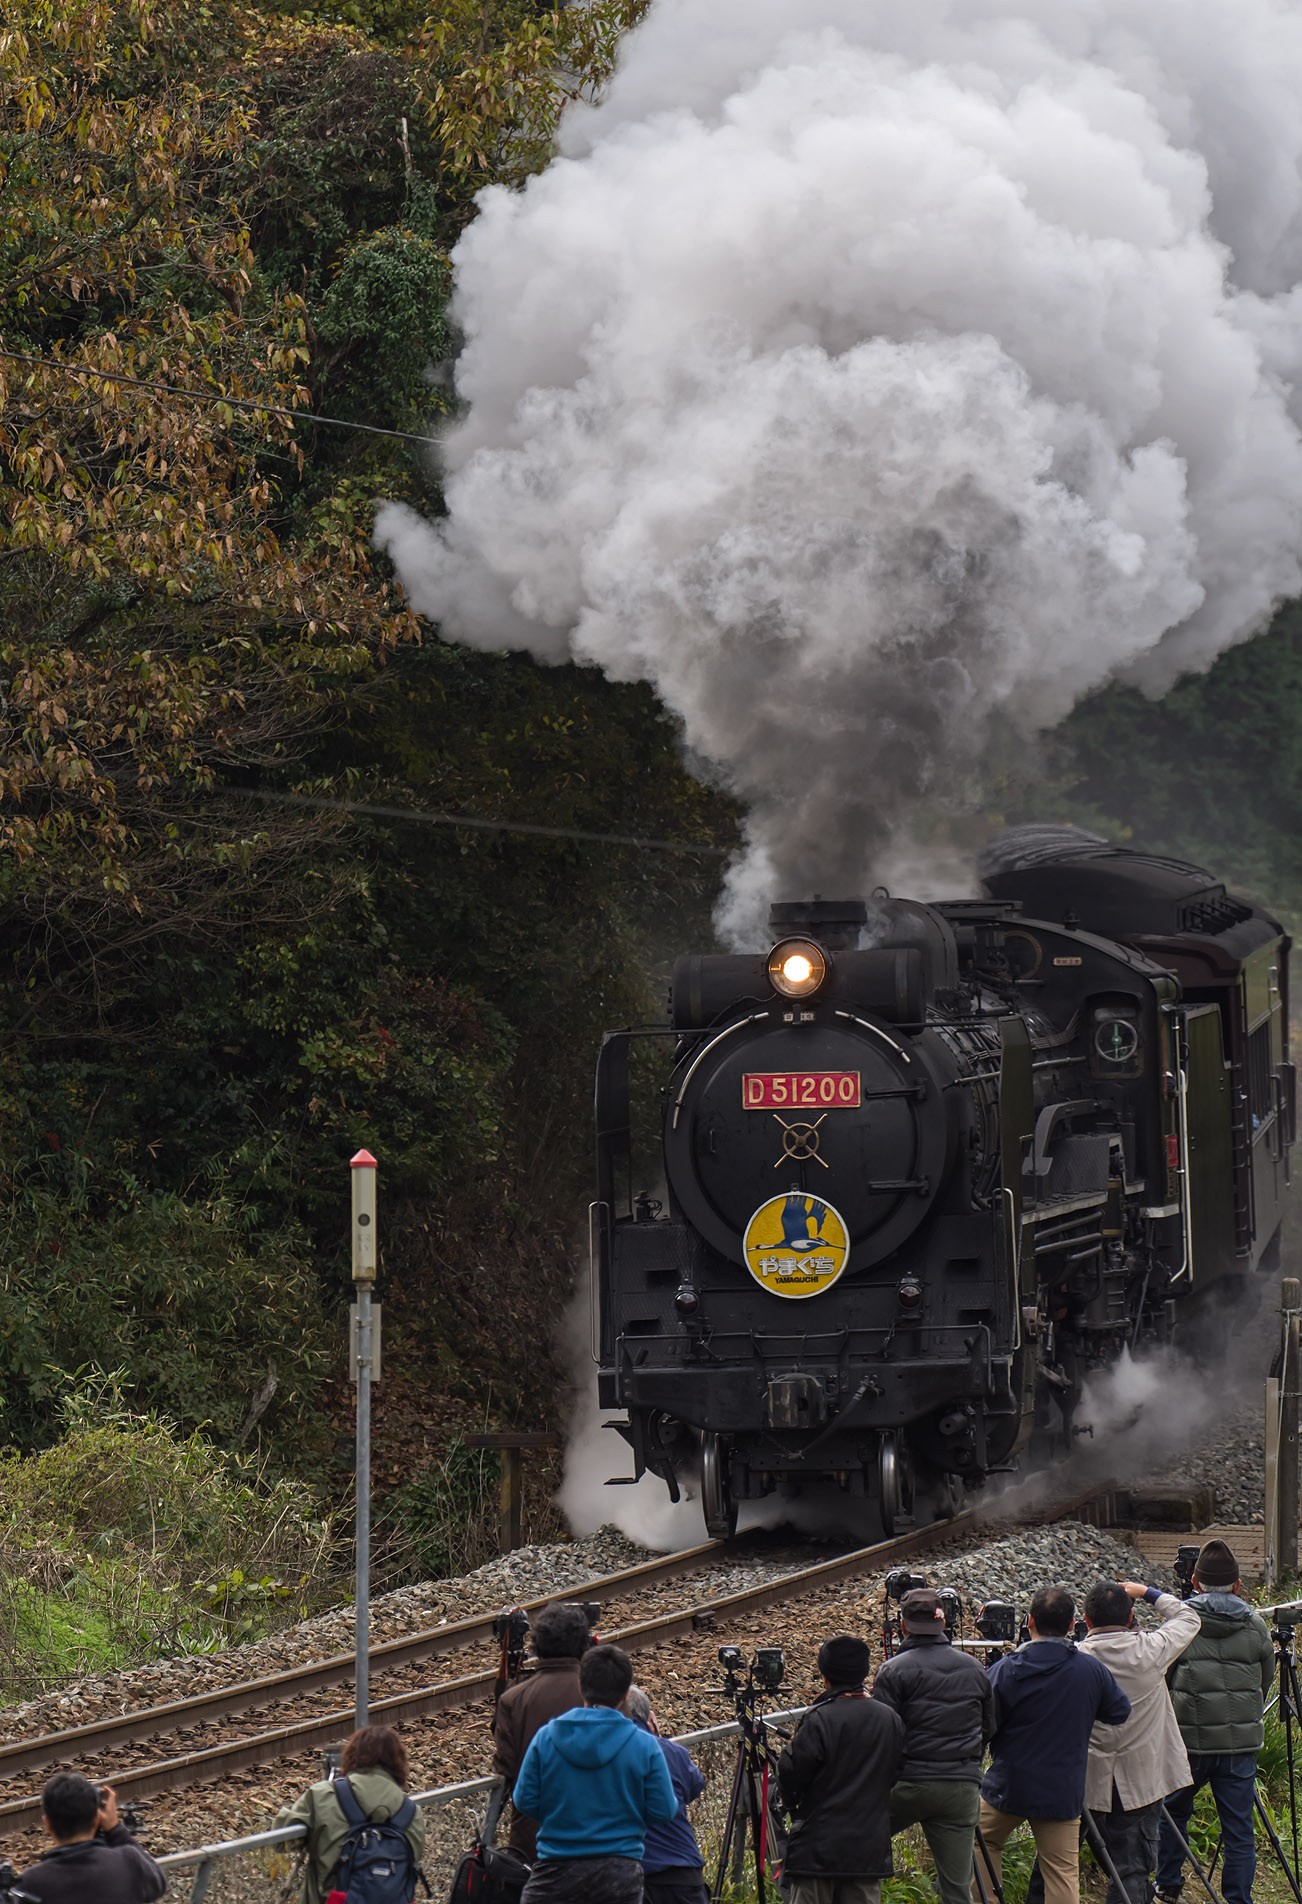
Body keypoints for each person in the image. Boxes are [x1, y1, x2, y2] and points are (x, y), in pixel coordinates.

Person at [973, 1586, 1130, 1904]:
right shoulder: (1091, 1670)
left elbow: (982, 1726)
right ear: (1073, 1625)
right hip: (1062, 1788)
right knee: (1060, 1870)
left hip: (1008, 1785)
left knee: (981, 1842)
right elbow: (1119, 1712)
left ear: (1029, 1621)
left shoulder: (1004, 1670)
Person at [1154, 1539, 1274, 1904]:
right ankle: (1238, 1899)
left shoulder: (1181, 1624)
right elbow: (1264, 1682)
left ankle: (1169, 1886)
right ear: (1238, 1585)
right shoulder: (1255, 1626)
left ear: (1195, 1582)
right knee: (1239, 1831)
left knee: (1173, 1815)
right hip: (1238, 1747)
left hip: (1186, 1743)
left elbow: (1162, 1677)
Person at [514, 1641, 677, 1904]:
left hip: (556, 1867)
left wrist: (561, 1816)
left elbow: (524, 1800)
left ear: (581, 1687)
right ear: (626, 1694)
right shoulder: (645, 1745)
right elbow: (664, 1809)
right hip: (620, 1871)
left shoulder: (547, 1737)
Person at [1075, 1577, 1200, 1904]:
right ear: (1131, 1618)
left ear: (1087, 1620)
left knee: (1056, 1861)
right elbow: (1189, 1617)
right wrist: (1147, 1592)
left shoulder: (1075, 1659)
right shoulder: (1153, 1649)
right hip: (1141, 1780)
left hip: (1083, 1780)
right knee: (1132, 1869)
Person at [871, 1588, 996, 1904]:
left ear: (903, 1625)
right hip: (960, 1788)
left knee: (855, 1844)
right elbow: (989, 1727)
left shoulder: (893, 1671)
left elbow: (883, 1736)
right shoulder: (974, 1668)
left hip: (908, 1784)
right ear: (943, 1625)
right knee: (957, 1890)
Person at [778, 1632, 905, 1904]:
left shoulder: (820, 1718)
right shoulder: (889, 1718)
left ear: (825, 1675)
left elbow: (790, 1773)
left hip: (817, 1850)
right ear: (864, 1671)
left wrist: (793, 1808)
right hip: (867, 1849)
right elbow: (896, 1771)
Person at [275, 1723, 426, 1904]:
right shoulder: (411, 1813)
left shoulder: (323, 1796)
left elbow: (279, 1840)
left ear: (351, 1756)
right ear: (399, 1763)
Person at [493, 1601, 592, 1861]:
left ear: (537, 1644)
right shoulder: (601, 1692)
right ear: (584, 1644)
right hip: (597, 1837)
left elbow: (506, 1771)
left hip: (535, 1840)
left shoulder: (513, 1699)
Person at [17, 1775, 167, 1903]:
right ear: (97, 1819)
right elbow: (158, 1883)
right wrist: (114, 1828)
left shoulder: (30, 1883)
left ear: (47, 1824)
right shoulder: (128, 1862)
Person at [622, 1684, 708, 1904]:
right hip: (680, 1874)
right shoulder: (672, 1753)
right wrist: (657, 1736)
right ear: (648, 1717)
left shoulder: (600, 1751)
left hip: (625, 1877)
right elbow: (694, 1786)